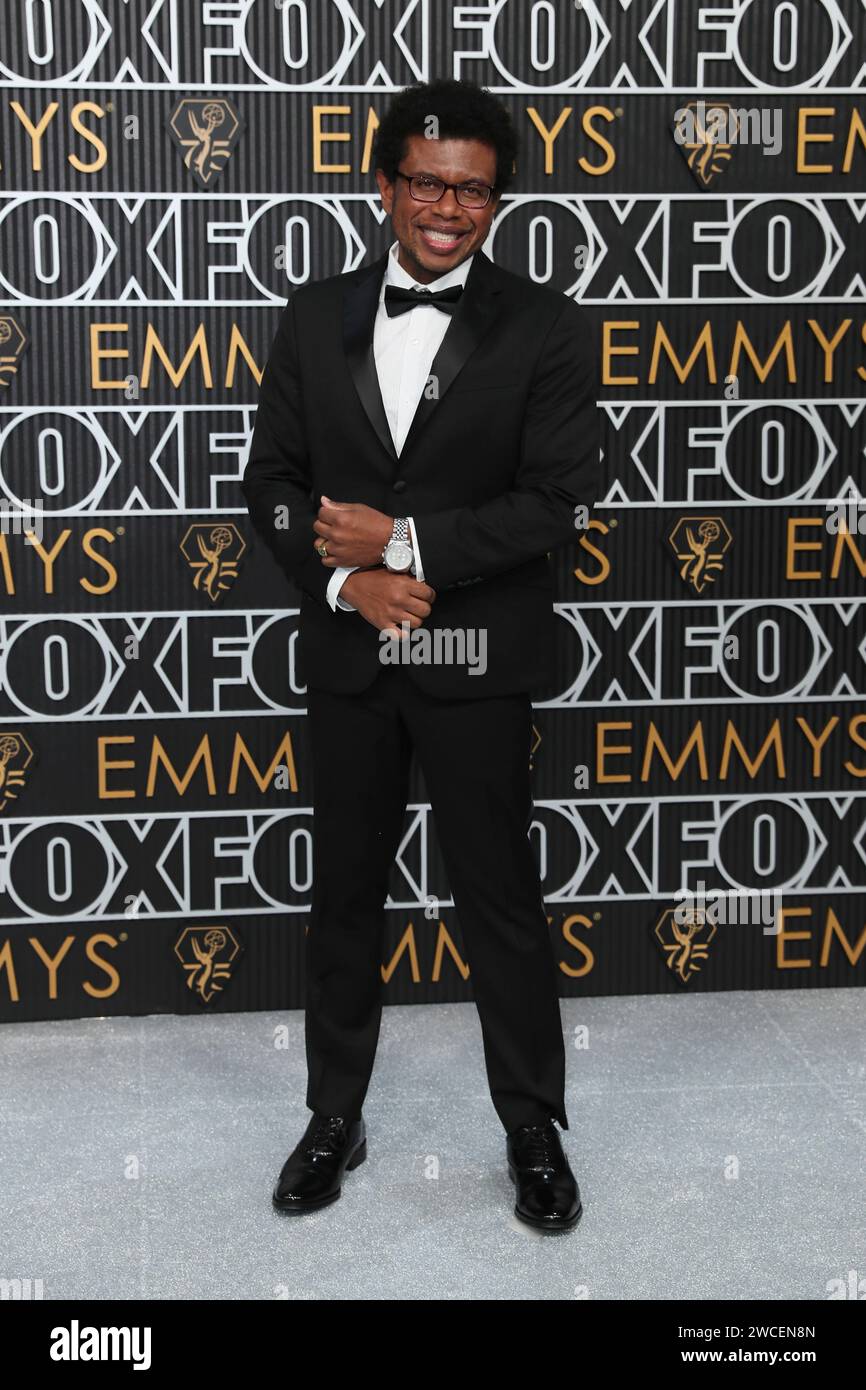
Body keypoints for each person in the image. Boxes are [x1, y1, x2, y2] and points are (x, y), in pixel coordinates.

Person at [240, 77, 601, 1231]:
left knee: (499, 898)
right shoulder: (312, 314)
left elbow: (554, 500)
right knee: (344, 897)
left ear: (494, 201)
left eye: (474, 191)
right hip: (349, 656)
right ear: (385, 181)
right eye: (428, 182)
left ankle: (532, 1127)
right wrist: (352, 580)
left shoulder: (544, 324)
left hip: (478, 661)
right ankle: (333, 1115)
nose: (448, 207)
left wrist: (402, 540)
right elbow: (272, 487)